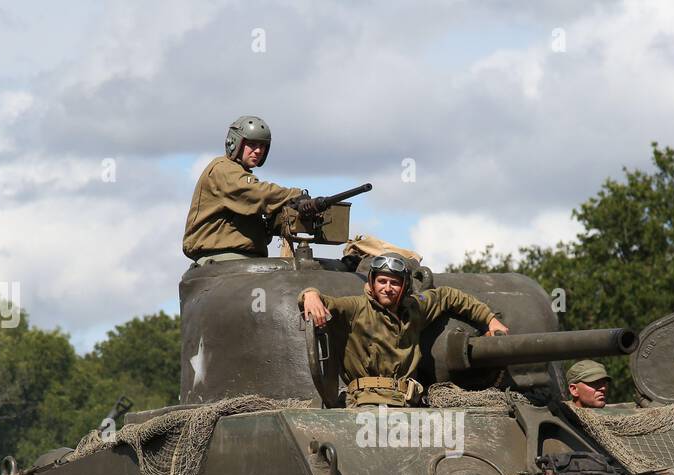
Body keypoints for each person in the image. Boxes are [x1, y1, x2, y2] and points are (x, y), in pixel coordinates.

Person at [299, 253, 509, 407]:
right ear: (372, 283)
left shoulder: (415, 307)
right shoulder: (356, 307)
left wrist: (489, 319)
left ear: (405, 286)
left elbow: (448, 296)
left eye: (394, 283)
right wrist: (309, 294)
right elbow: (321, 300)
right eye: (381, 281)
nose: (387, 288)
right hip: (366, 403)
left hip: (407, 402)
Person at [182, 116, 311, 264]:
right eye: (252, 144)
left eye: (262, 146)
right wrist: (295, 195)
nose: (258, 151)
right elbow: (257, 194)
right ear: (235, 143)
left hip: (246, 261)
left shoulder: (239, 174)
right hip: (224, 261)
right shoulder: (223, 169)